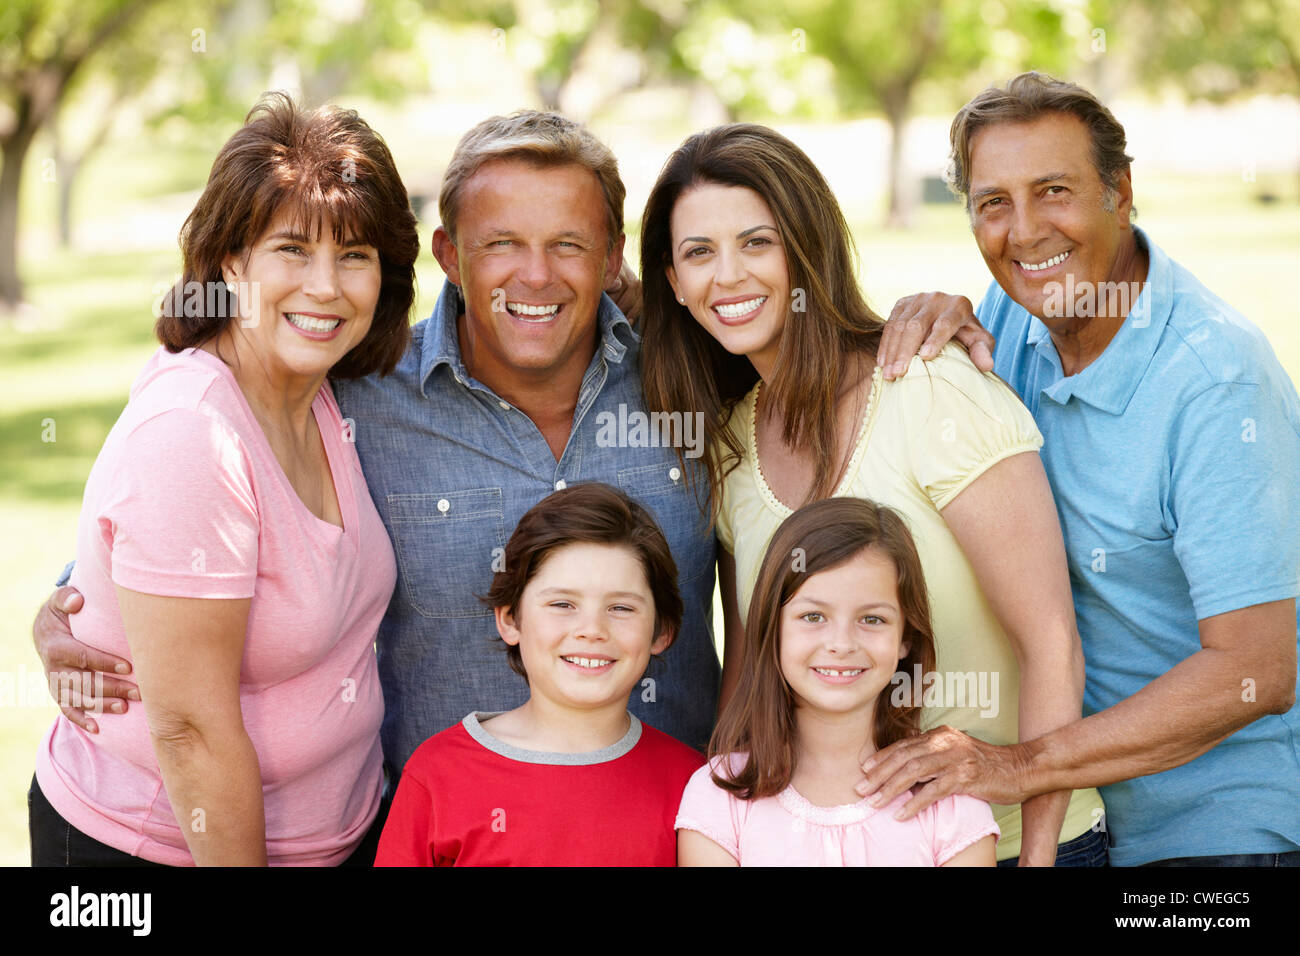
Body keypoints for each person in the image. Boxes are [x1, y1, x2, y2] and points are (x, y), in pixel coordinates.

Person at [32, 111, 721, 787]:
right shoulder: (358, 395)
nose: (535, 275)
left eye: (568, 244)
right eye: (500, 243)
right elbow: (181, 497)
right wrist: (71, 601)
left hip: (673, 828)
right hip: (440, 839)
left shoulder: (693, 379)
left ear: (611, 256)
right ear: (448, 255)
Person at [862, 72, 1300, 867]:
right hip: (1083, 819)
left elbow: (1260, 668)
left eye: (1054, 191)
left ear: (1120, 192)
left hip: (1220, 835)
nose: (1025, 232)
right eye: (993, 202)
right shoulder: (1009, 322)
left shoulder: (1215, 382)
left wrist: (1016, 766)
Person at [639, 122, 1106, 866]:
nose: (727, 276)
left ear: (807, 248)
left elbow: (1051, 642)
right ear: (672, 281)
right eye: (699, 253)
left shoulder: (930, 388)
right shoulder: (728, 444)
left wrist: (1040, 855)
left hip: (1008, 842)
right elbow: (750, 679)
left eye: (757, 243)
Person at [29, 92, 419, 866]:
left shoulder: (325, 396)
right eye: (292, 250)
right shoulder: (194, 435)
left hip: (333, 840)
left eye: (354, 256)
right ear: (232, 260)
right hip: (156, 850)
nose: (325, 287)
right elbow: (191, 734)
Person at [375, 483, 704, 866]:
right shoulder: (438, 773)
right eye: (563, 603)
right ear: (511, 619)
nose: (592, 629)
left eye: (621, 608)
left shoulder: (692, 784)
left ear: (661, 631)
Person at [676, 497, 997, 866]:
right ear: (772, 628)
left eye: (872, 619)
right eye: (813, 616)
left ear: (906, 637)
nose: (842, 644)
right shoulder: (719, 796)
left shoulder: (950, 802)